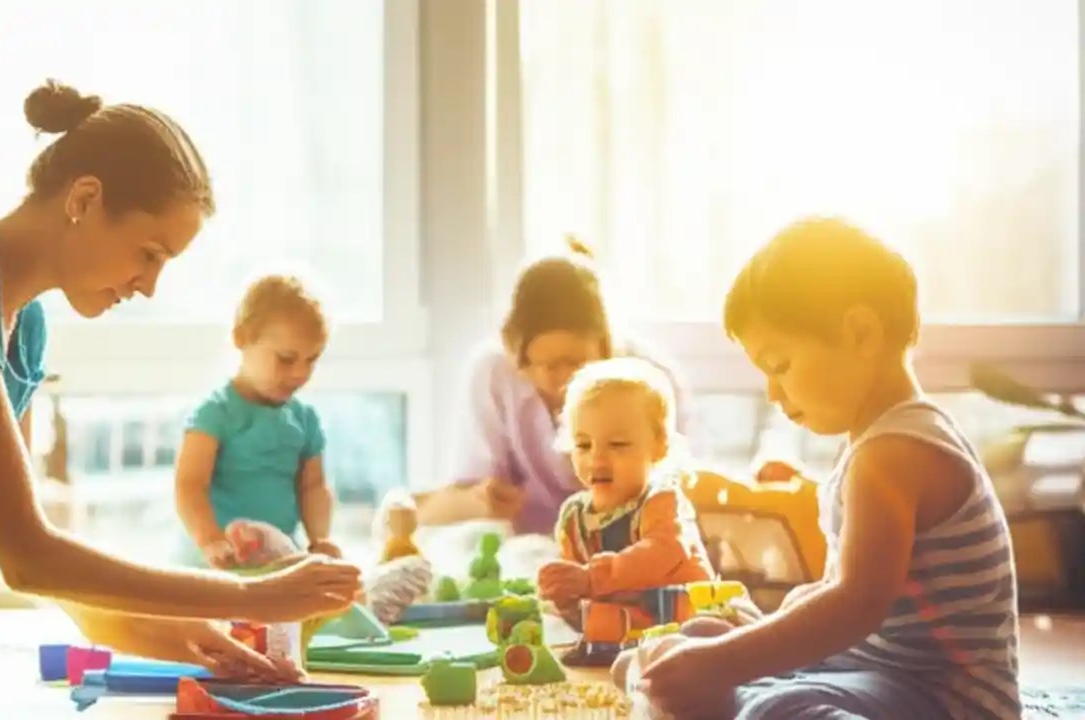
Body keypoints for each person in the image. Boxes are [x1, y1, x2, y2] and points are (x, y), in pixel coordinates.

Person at [0, 81, 361, 720]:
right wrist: (254, 595)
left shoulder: (24, 330)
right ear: (85, 198)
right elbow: (27, 555)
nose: (149, 286)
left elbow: (42, 566)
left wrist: (176, 631)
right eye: (149, 254)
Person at [638, 218, 1020, 719]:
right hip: (880, 672)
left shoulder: (893, 455)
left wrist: (729, 662)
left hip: (946, 698)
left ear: (860, 333)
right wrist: (751, 634)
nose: (772, 393)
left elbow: (854, 605)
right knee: (703, 637)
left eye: (780, 365)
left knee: (767, 703)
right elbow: (841, 594)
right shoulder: (883, 441)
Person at [415, 239, 689, 536]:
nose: (562, 380)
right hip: (526, 548)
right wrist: (481, 500)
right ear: (516, 354)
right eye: (542, 365)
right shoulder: (493, 373)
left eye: (575, 363)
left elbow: (686, 486)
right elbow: (459, 494)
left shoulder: (650, 378)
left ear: (605, 345)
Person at [537, 358, 712, 663]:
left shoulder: (660, 500)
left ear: (659, 447)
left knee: (696, 628)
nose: (597, 461)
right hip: (623, 620)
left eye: (617, 445)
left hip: (680, 614)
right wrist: (564, 590)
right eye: (583, 445)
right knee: (574, 620)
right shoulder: (574, 517)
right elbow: (580, 583)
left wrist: (592, 578)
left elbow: (663, 550)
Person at [173, 274, 340, 569]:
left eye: (311, 359)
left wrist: (319, 538)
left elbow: (313, 487)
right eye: (287, 358)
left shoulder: (305, 420)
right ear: (242, 338)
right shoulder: (216, 413)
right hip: (216, 566)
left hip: (277, 562)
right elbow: (189, 485)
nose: (300, 373)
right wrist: (210, 540)